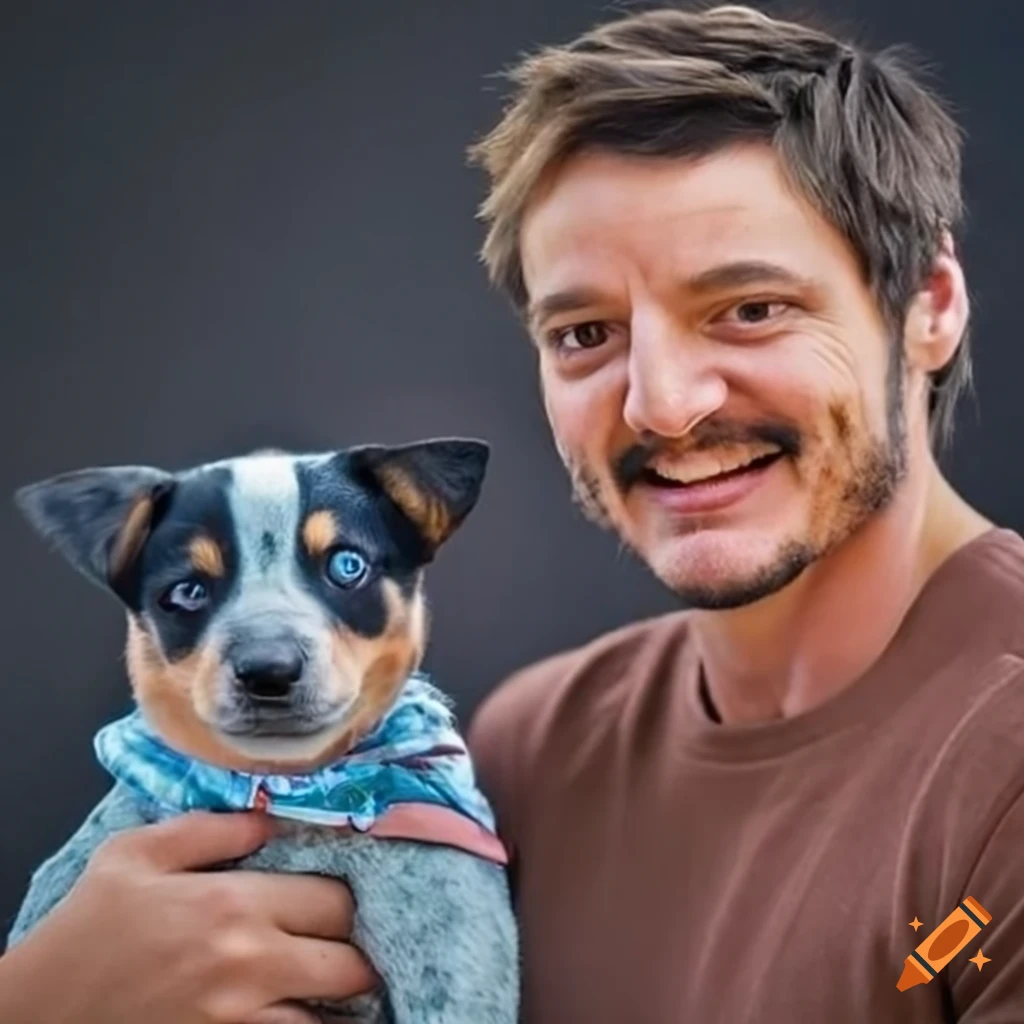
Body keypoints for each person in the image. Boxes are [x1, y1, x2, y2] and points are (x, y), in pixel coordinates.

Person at [1, 4, 1021, 1022]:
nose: (660, 401)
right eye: (585, 331)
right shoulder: (533, 745)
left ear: (928, 302)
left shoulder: (998, 758)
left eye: (749, 308)